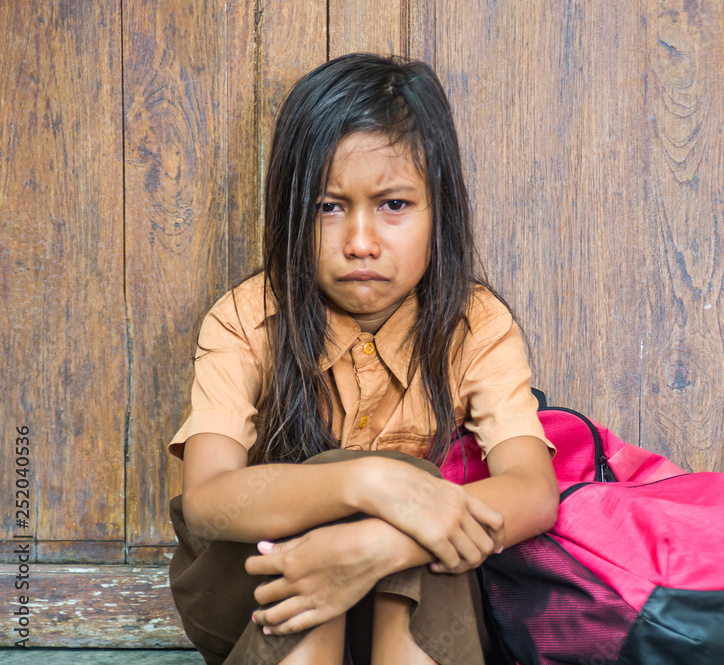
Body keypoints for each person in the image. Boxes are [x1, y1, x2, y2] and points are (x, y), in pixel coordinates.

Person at [167, 53, 558, 665]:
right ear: (292, 211)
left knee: (430, 506)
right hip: (259, 596)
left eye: (394, 205)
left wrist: (381, 543)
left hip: (413, 591)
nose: (360, 242)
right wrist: (368, 483)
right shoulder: (247, 319)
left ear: (440, 211)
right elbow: (210, 502)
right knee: (380, 481)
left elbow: (533, 492)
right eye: (328, 206)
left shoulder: (474, 324)